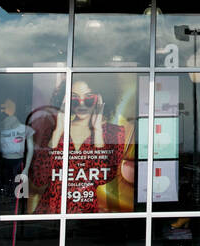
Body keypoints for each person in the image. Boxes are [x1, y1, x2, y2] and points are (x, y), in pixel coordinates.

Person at [26, 77, 137, 215]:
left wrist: (97, 130)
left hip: (86, 214)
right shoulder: (54, 131)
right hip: (50, 213)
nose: (82, 104)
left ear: (100, 99)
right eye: (74, 98)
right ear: (65, 101)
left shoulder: (113, 132)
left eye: (89, 98)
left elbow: (103, 176)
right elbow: (39, 178)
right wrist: (58, 131)